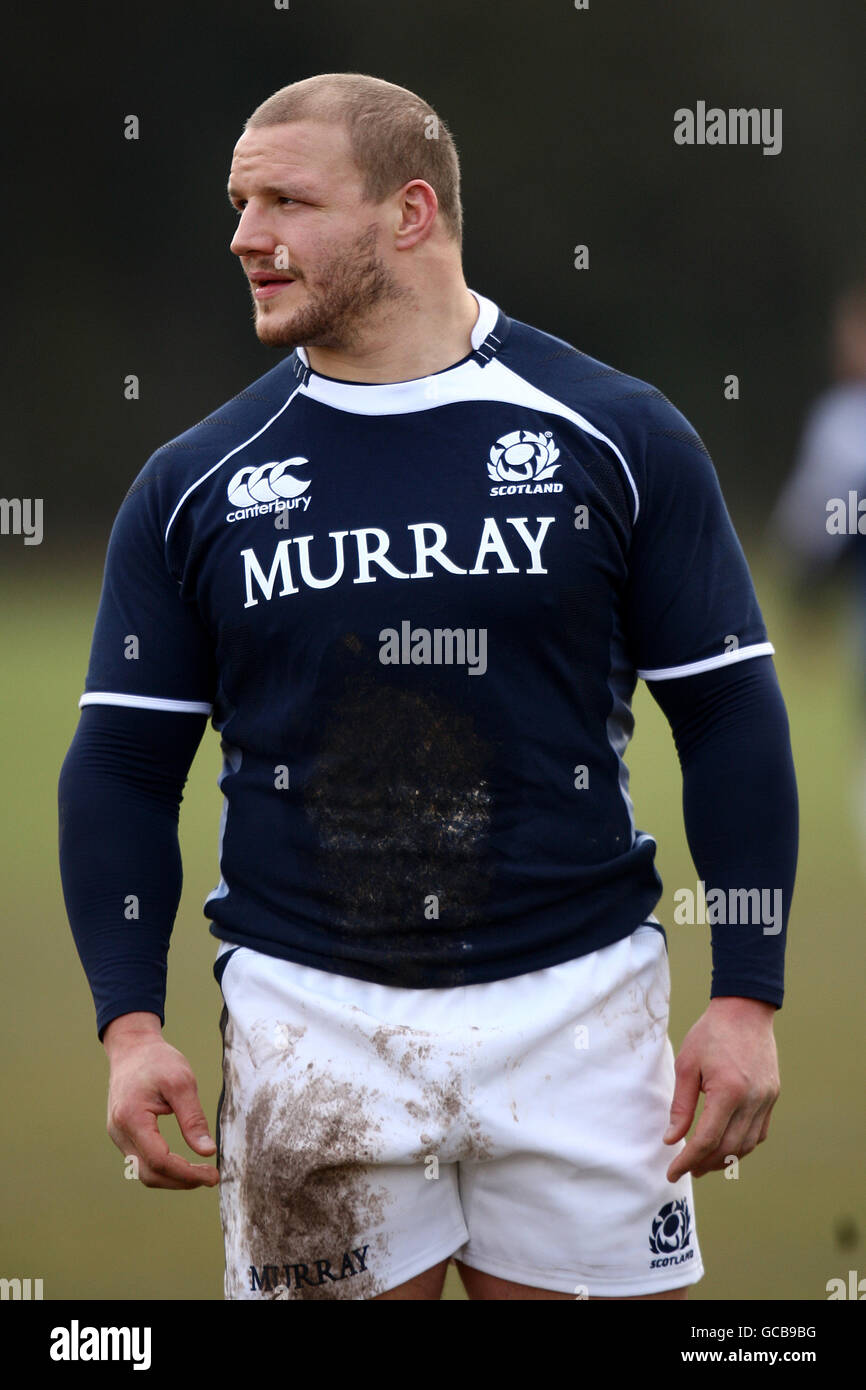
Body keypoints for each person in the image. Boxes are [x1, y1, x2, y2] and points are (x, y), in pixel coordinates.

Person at [58, 72, 798, 1301]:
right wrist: (130, 1028)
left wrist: (746, 994)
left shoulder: (617, 433)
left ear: (410, 214)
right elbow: (126, 766)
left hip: (581, 1010)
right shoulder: (196, 484)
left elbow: (724, 708)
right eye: (240, 203)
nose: (246, 236)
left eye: (286, 200)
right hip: (310, 1024)